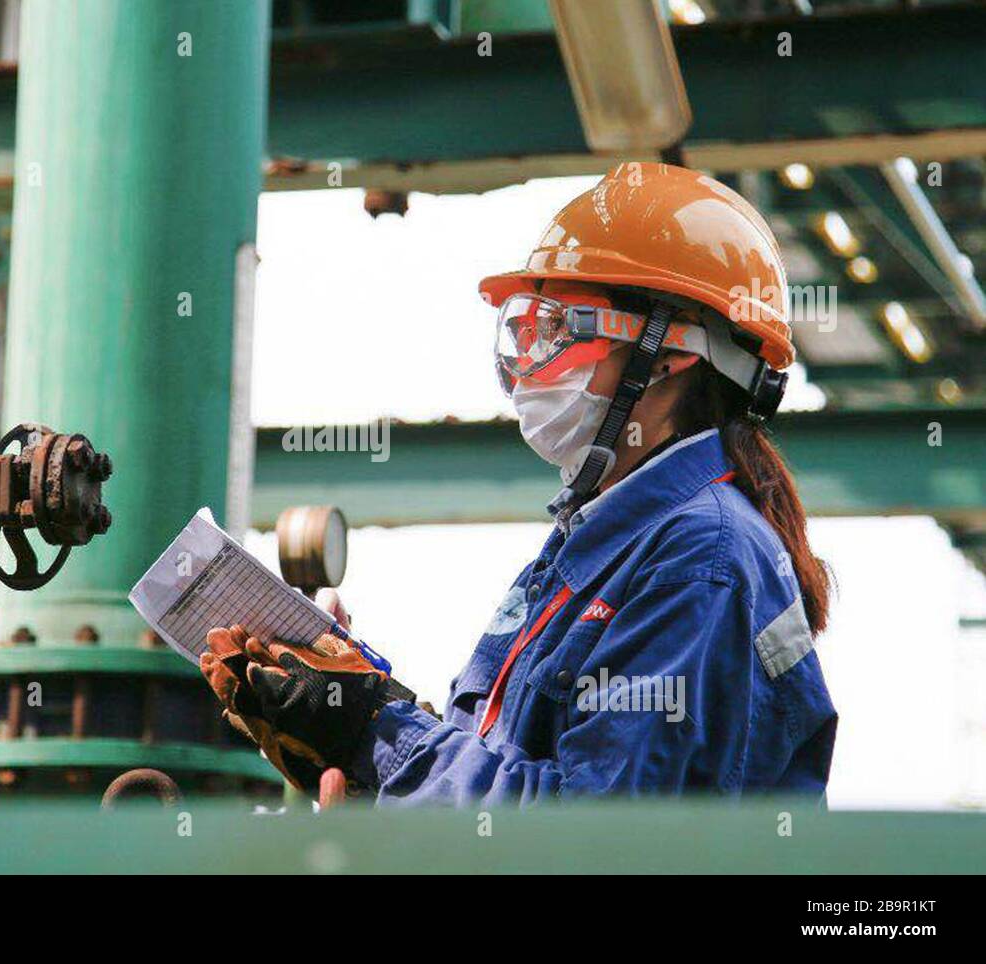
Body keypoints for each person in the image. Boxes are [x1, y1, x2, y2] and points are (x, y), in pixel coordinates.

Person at [201, 162, 837, 806]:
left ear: (671, 354)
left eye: (560, 329)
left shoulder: (700, 560)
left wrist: (371, 726)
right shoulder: (594, 547)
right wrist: (341, 719)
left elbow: (593, 839)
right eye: (526, 328)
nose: (531, 359)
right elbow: (497, 779)